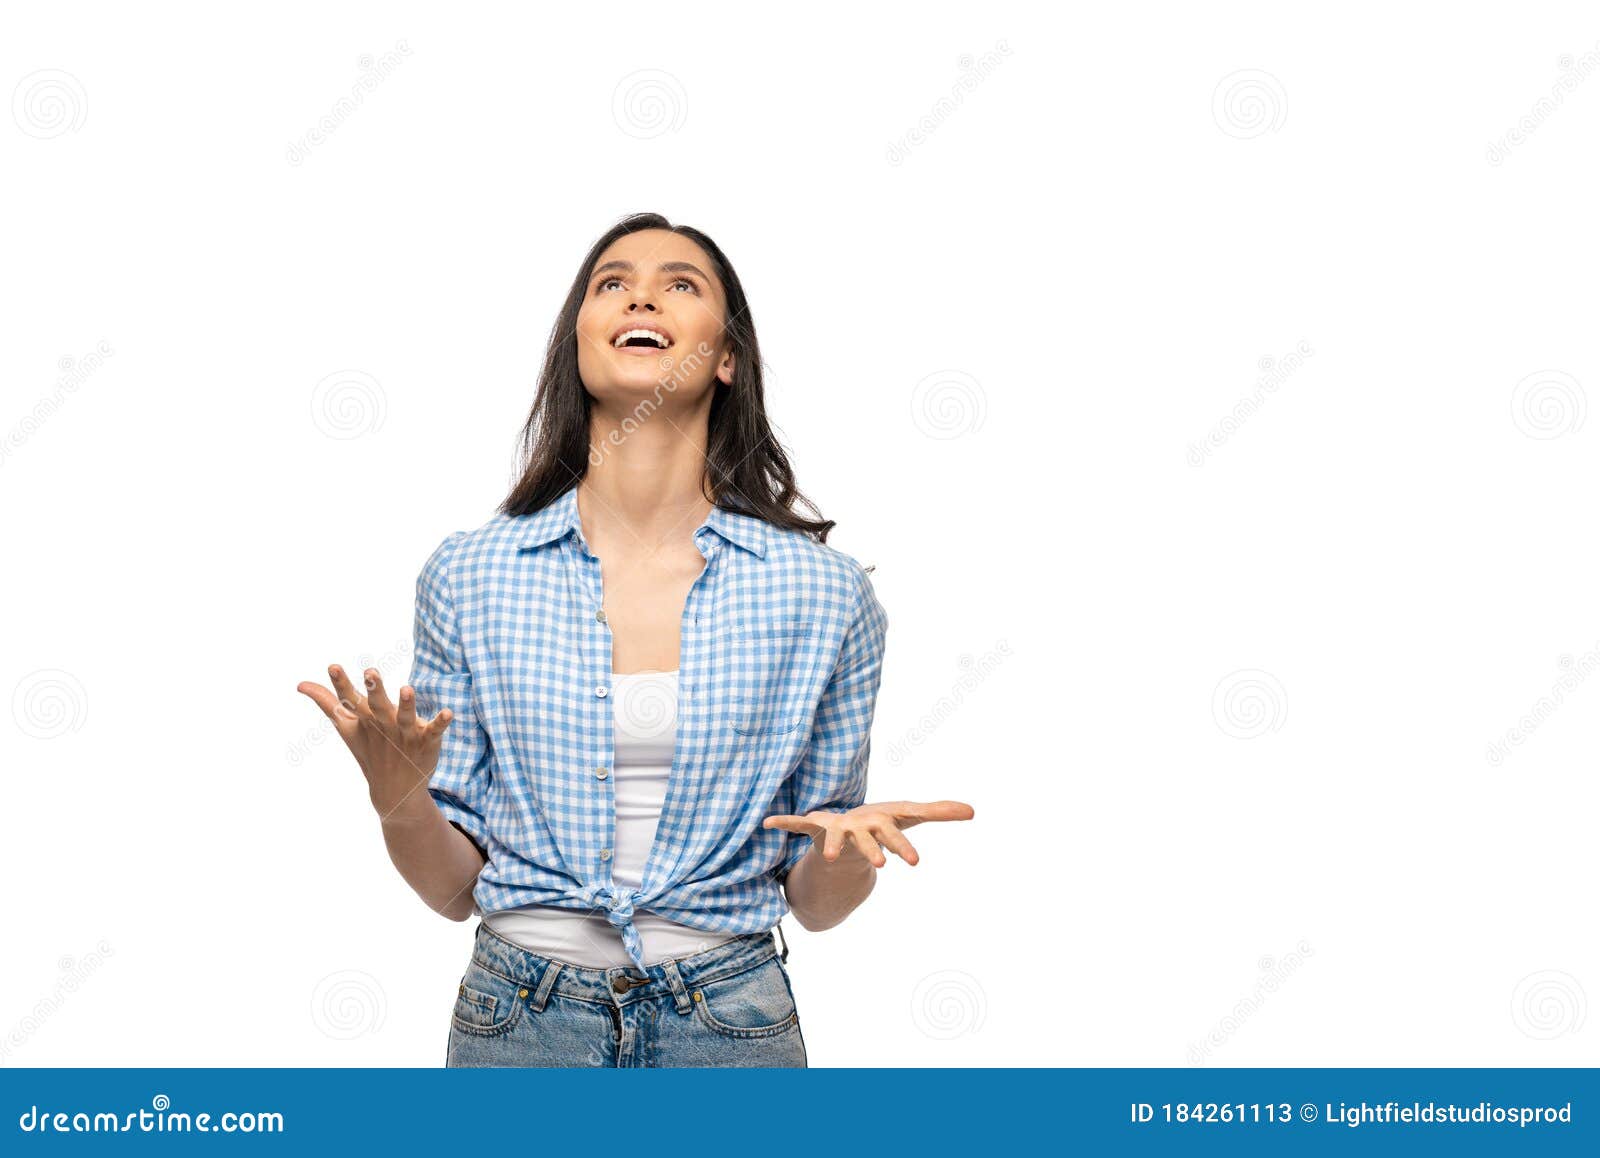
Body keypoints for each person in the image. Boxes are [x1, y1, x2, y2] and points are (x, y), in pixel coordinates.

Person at [298, 213, 975, 1067]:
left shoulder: (824, 594)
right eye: (612, 282)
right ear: (578, 342)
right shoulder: (470, 574)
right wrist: (398, 794)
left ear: (727, 359)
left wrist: (847, 857)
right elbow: (452, 888)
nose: (641, 296)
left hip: (731, 1021)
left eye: (680, 284)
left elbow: (815, 903)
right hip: (519, 1023)